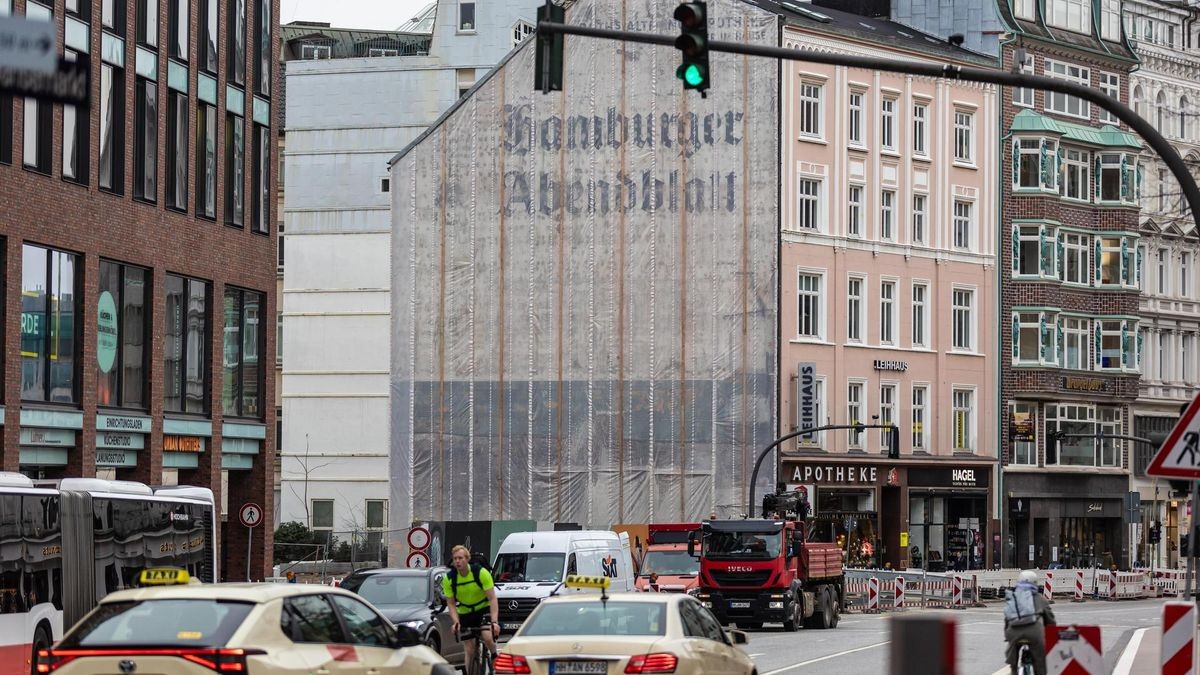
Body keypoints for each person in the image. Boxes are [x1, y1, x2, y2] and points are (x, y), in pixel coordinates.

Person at [442, 545, 499, 670]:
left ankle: (494, 654)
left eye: (460, 558)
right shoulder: (449, 579)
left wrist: (494, 622)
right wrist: (456, 622)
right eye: (455, 558)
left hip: (483, 609)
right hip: (465, 612)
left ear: (467, 559)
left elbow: (492, 599)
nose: (457, 561)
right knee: (469, 648)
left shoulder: (480, 573)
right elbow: (451, 603)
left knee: (488, 637)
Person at [1004, 570, 1056, 675]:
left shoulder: (1014, 597)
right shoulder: (1040, 599)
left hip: (1014, 632)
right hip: (1035, 633)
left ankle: (1013, 670)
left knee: (1012, 650)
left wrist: (1007, 635)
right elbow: (1050, 620)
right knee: (1040, 661)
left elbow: (1007, 618)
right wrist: (1051, 633)